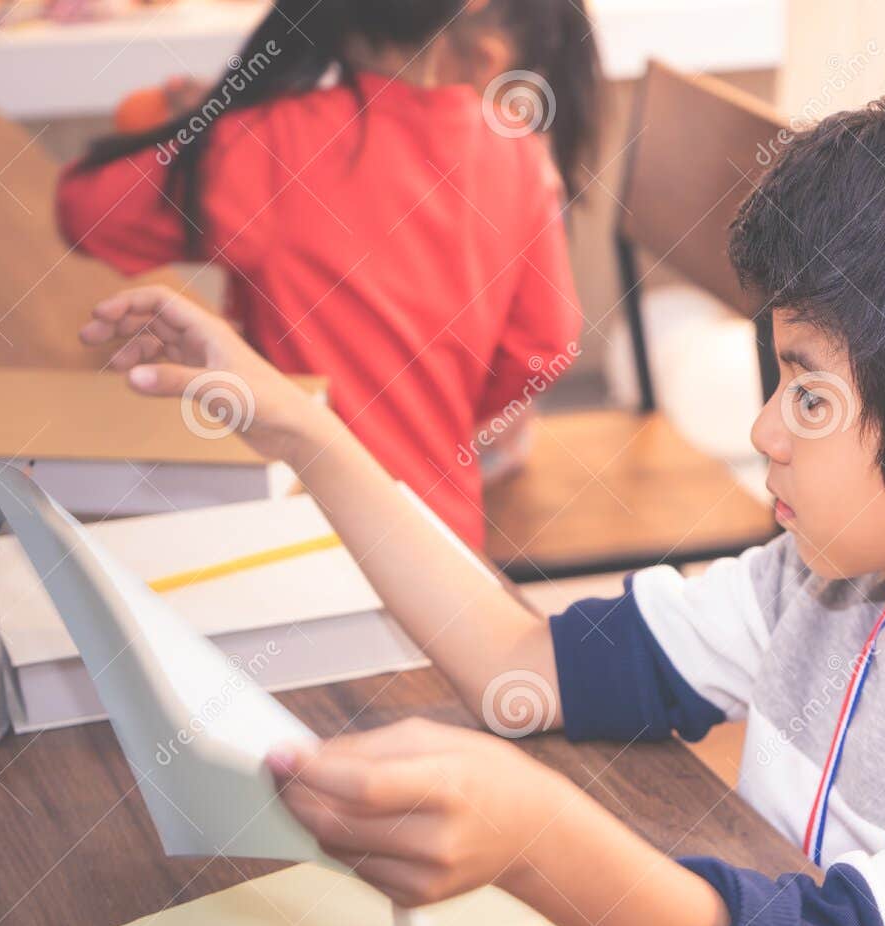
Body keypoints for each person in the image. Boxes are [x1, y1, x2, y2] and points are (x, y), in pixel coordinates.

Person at [78, 71, 885, 926]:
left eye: (808, 393)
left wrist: (536, 836)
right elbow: (525, 661)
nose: (765, 429)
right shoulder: (826, 578)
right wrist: (303, 433)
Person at [57, 0, 600, 547]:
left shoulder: (266, 143)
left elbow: (84, 210)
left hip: (300, 536)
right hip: (442, 542)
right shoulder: (514, 148)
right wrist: (438, 417)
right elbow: (546, 345)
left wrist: (200, 129)